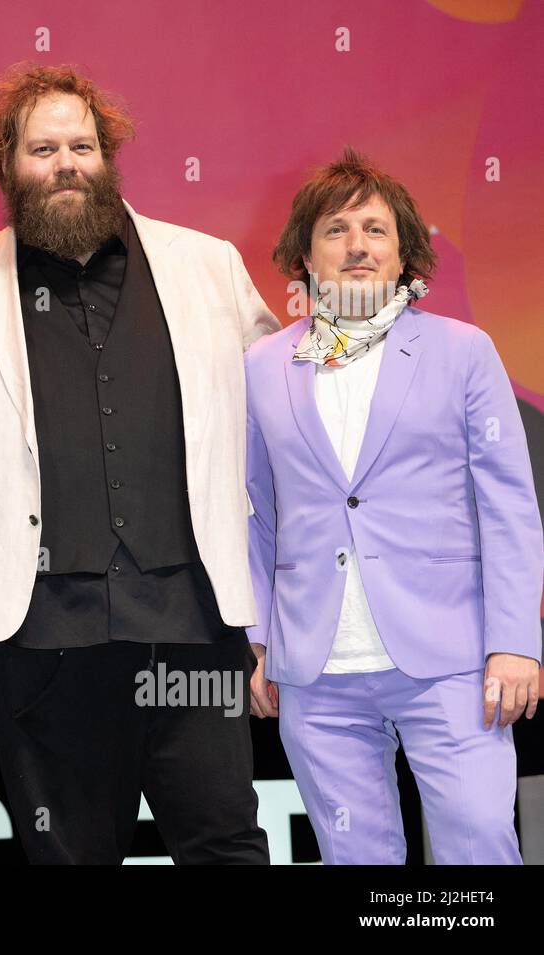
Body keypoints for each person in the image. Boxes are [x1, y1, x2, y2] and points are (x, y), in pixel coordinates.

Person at [0, 63, 278, 864]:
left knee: (226, 844)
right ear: (5, 166)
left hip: (193, 622)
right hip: (44, 633)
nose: (66, 162)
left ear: (108, 154)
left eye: (82, 144)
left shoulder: (207, 266)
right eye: (42, 148)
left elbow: (279, 412)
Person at [245, 149, 542, 864]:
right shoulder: (260, 365)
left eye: (375, 229)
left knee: (479, 844)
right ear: (304, 256)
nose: (356, 245)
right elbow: (252, 510)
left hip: (452, 659)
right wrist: (258, 640)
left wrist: (516, 641)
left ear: (404, 250)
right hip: (317, 669)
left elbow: (509, 505)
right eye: (336, 229)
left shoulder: (463, 350)